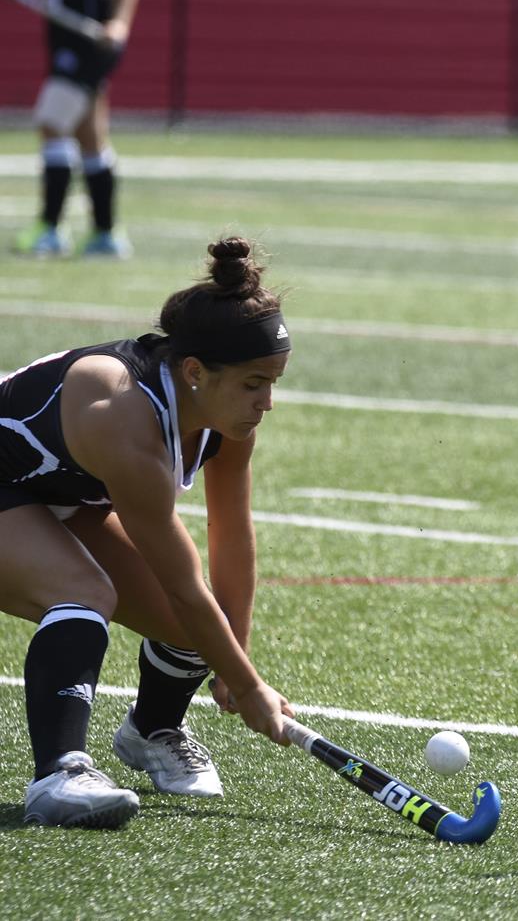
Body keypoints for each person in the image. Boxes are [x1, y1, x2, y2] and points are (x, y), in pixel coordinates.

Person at [0, 236, 295, 828]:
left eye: (273, 383)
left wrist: (235, 655)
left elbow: (231, 533)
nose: (266, 402)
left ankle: (151, 728)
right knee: (83, 592)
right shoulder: (123, 415)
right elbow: (182, 578)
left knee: (198, 625)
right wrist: (248, 683)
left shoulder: (225, 423)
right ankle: (58, 775)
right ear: (194, 372)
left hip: (56, 494)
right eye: (252, 383)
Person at [9, 0, 139, 259]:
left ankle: (49, 229)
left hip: (94, 41)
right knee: (89, 136)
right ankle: (106, 236)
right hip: (60, 40)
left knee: (51, 122)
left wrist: (119, 24)